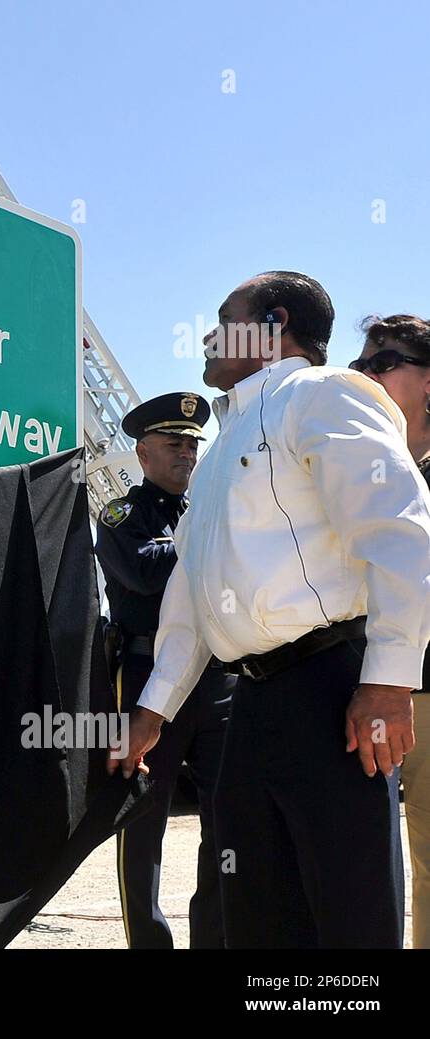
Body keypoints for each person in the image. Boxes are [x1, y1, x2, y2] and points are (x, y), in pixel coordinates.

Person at [108, 271, 430, 948]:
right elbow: (191, 592)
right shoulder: (223, 445)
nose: (206, 334)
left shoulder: (320, 394)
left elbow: (398, 530)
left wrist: (389, 679)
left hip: (334, 692)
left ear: (272, 322)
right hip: (251, 705)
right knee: (256, 913)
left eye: (223, 318)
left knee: (346, 915)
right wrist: (152, 710)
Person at [95, 392, 234, 949]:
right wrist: (203, 533)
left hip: (218, 674)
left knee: (225, 820)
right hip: (147, 673)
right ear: (143, 451)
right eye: (173, 443)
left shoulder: (206, 512)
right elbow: (146, 575)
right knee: (143, 823)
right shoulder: (123, 515)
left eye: (193, 444)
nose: (187, 453)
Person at [350, 313, 430, 948]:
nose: (363, 376)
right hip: (356, 691)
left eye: (382, 363)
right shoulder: (356, 468)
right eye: (360, 364)